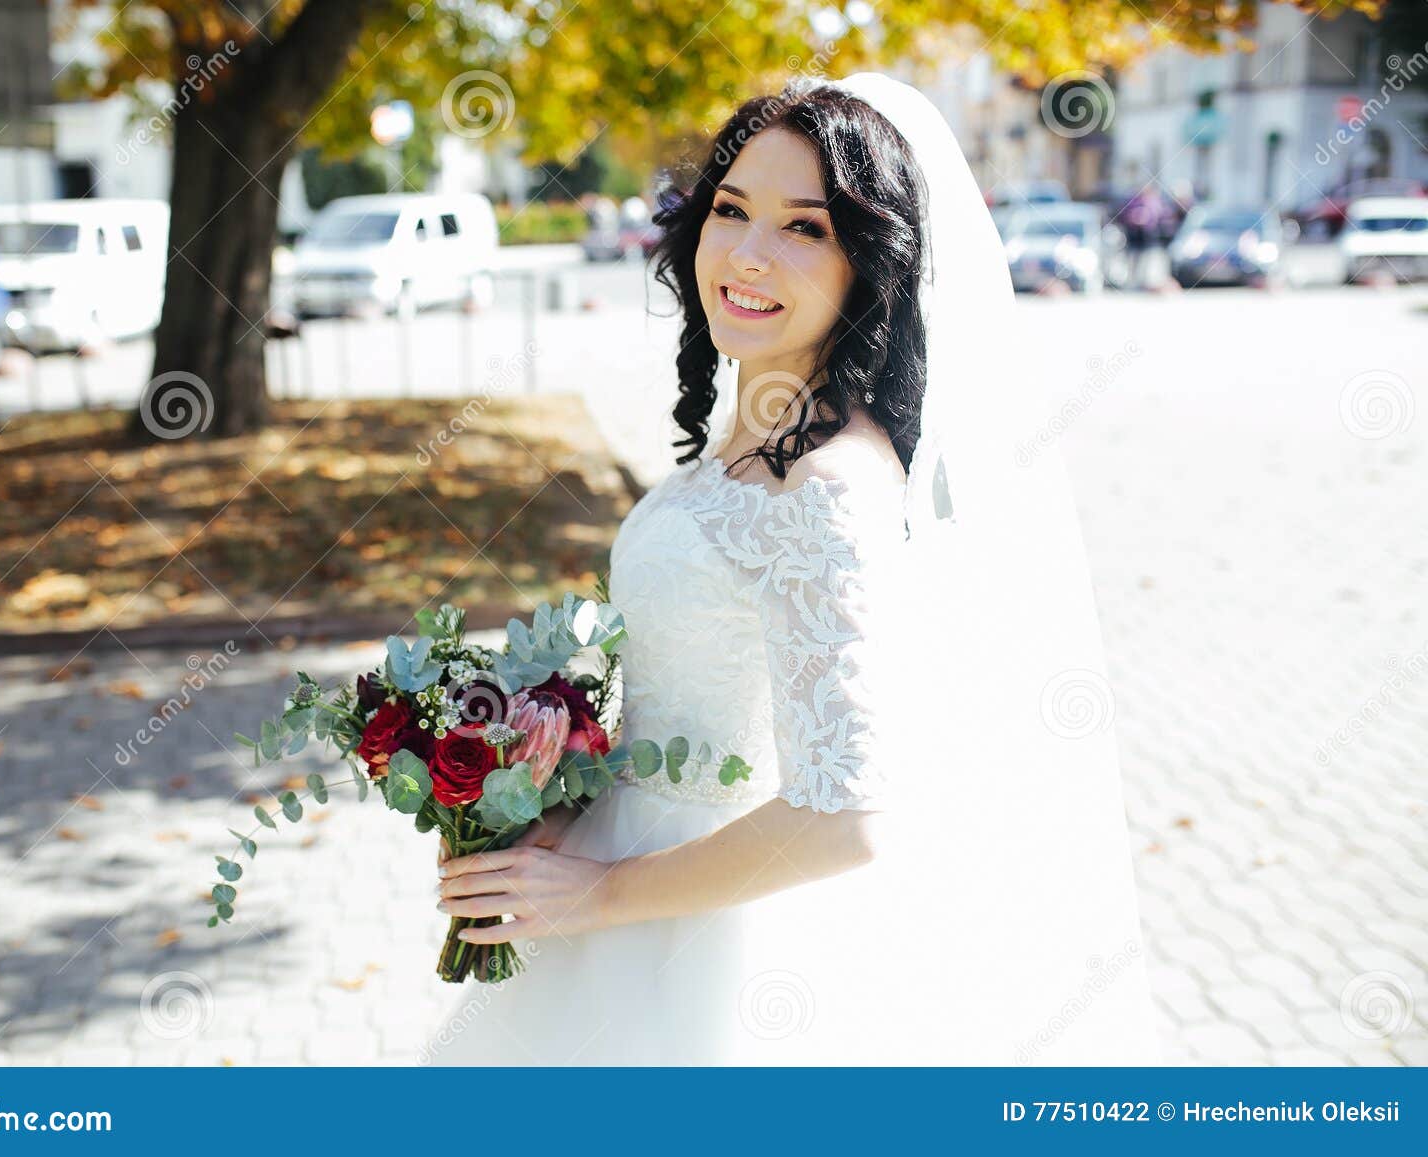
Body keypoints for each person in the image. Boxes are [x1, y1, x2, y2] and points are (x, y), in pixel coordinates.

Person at [421, 72, 1159, 1066]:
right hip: (625, 861)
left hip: (707, 944)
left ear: (870, 262)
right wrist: (535, 804)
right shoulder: (758, 429)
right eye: (730, 209)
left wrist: (598, 893)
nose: (747, 253)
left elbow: (843, 817)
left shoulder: (825, 483)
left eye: (804, 228)